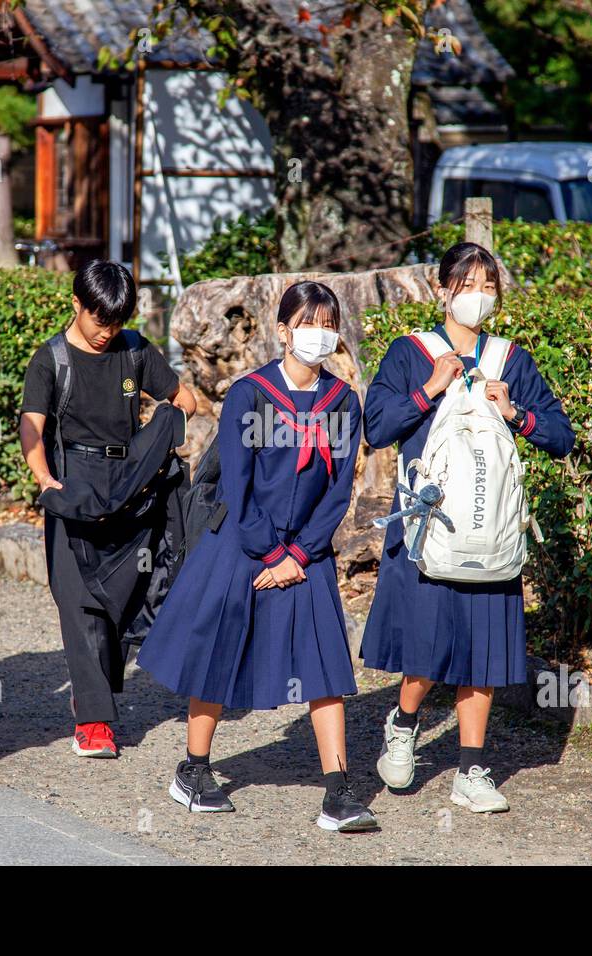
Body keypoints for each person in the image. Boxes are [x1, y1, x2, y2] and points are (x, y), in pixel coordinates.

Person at [137, 281, 378, 833]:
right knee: (220, 652)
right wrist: (271, 550)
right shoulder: (251, 394)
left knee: (325, 668)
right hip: (243, 545)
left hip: (307, 552)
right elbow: (237, 487)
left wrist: (298, 555)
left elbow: (340, 490)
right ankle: (193, 769)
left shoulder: (342, 401)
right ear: (284, 330)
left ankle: (338, 794)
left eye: (328, 323)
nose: (319, 334)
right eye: (308, 323)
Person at [359, 241, 575, 813]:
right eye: (467, 284)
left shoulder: (511, 360)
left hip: (490, 526)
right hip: (428, 527)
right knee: (427, 649)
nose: (477, 297)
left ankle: (472, 769)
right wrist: (429, 387)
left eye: (487, 286)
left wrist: (517, 413)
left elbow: (561, 435)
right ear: (442, 290)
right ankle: (403, 726)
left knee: (481, 652)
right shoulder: (410, 353)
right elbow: (376, 428)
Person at [19, 260, 196, 758]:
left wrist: (160, 414)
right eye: (99, 321)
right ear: (77, 305)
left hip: (129, 485)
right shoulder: (50, 360)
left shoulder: (135, 349)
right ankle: (94, 721)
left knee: (122, 598)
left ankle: (98, 688)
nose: (106, 333)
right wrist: (43, 477)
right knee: (78, 604)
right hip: (72, 485)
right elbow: (32, 424)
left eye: (115, 323)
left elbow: (186, 402)